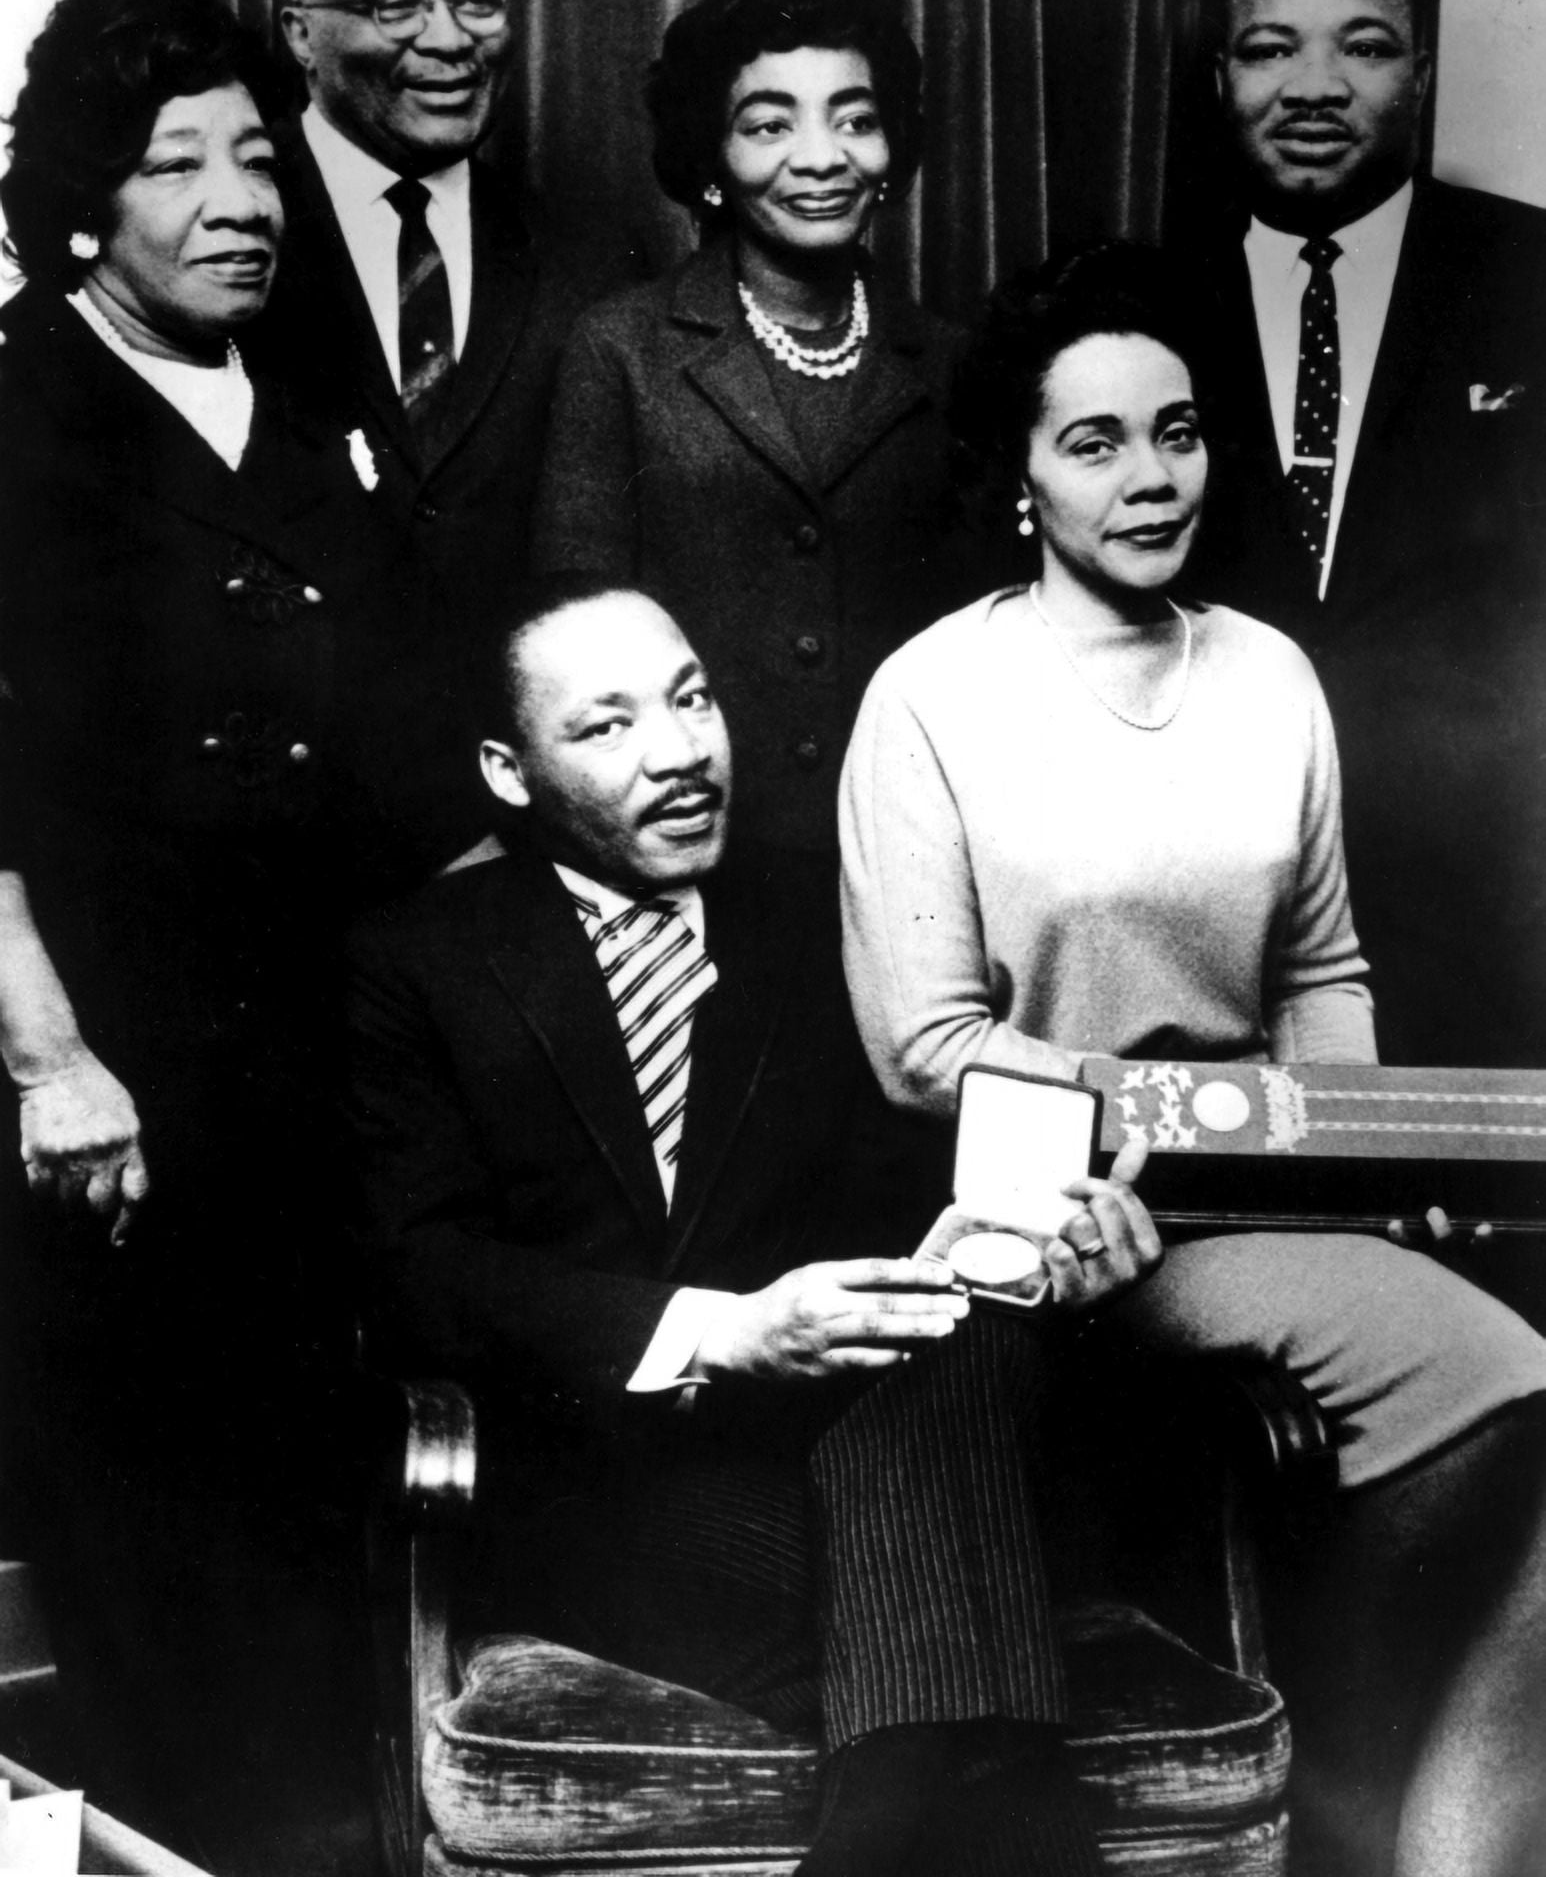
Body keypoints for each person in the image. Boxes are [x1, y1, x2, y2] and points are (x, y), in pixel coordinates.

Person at [840, 244, 1546, 1877]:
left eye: (1177, 431)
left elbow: (1320, 964)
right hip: (1059, 1227)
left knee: (1519, 1396)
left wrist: (1352, 1167)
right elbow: (922, 1045)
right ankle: (1349, 1780)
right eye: (1094, 442)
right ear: (1018, 474)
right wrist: (1154, 1136)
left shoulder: (1269, 678)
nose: (1149, 475)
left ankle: (1405, 1822)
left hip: (1269, 1202)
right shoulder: (930, 698)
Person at [347, 571, 1180, 1877]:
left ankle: (894, 1820)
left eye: (691, 698)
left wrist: (1022, 1243)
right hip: (609, 1490)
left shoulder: (824, 919)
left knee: (966, 1362)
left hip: (868, 1452)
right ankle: (994, 1803)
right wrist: (721, 1332)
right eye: (608, 725)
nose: (680, 752)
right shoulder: (414, 964)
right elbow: (418, 1273)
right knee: (956, 1613)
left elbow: (914, 1219)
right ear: (508, 772)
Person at [0, 0, 476, 1862]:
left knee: (319, 1550)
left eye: (257, 158)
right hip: (110, 1101)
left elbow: (415, 735)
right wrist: (49, 1056)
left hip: (322, 1089)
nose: (240, 201)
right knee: (147, 1579)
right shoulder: (20, 410)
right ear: (84, 204)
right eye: (179, 163)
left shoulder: (311, 400)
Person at [1184, 0, 1546, 1071]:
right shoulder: (1131, 307)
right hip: (1210, 940)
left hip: (1492, 927)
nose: (1315, 86)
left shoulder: (1529, 278)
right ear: (1218, 77)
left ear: (1423, 72)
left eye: (1365, 45)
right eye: (1270, 47)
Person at [532, 0, 980, 852]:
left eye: (854, 119)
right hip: (687, 848)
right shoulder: (619, 348)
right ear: (711, 157)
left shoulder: (951, 361)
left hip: (909, 849)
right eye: (770, 125)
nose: (821, 158)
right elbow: (575, 645)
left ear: (891, 148)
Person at [270, 0, 636, 633]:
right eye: (395, 4)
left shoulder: (590, 256)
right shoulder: (224, 231)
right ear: (301, 34)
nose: (448, 38)